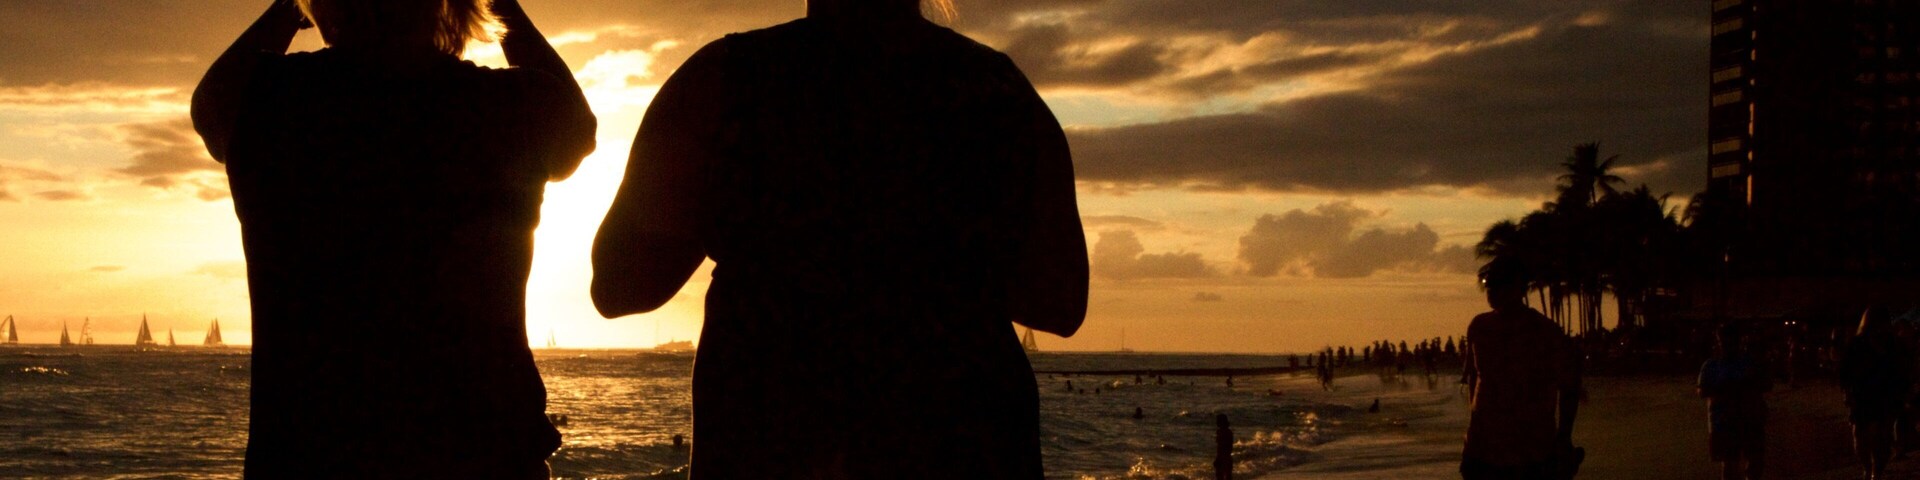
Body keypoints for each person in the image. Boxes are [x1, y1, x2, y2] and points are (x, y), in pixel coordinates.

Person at [588, 0, 1089, 477]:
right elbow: (1061, 302)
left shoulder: (727, 78)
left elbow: (620, 286)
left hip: (772, 438)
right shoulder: (997, 90)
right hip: (968, 440)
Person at [190, 0, 594, 477]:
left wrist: (287, 10)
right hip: (482, 456)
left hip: (309, 457)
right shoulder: (505, 107)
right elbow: (577, 133)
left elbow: (211, 107)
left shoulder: (270, 99)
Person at [1460, 258, 1583, 480]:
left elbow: (1569, 387)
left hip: (1531, 446)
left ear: (1519, 288)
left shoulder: (1545, 331)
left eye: (1499, 284)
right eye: (1489, 284)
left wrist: (1564, 437)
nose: (1491, 290)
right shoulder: (1479, 326)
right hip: (1483, 444)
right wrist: (1472, 431)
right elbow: (1475, 379)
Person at [1843, 306, 1912, 480]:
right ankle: (1867, 468)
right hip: (1863, 396)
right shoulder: (1857, 344)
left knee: (1882, 438)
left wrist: (1903, 392)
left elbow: (1901, 370)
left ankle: (1876, 473)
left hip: (1885, 396)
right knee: (1861, 436)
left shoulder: (1893, 344)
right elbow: (1846, 372)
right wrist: (1848, 394)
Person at [1698, 324, 1770, 480]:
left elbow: (1766, 384)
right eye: (1723, 341)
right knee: (1731, 462)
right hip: (1726, 421)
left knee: (1751, 461)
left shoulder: (1749, 362)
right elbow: (1702, 390)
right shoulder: (1711, 365)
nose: (1726, 345)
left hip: (1746, 419)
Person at [1214, 414, 1234, 480]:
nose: (1216, 423)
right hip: (1227, 457)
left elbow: (1221, 447)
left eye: (1218, 421)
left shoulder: (1223, 432)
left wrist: (1218, 458)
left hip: (1223, 457)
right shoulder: (1228, 432)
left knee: (1220, 476)